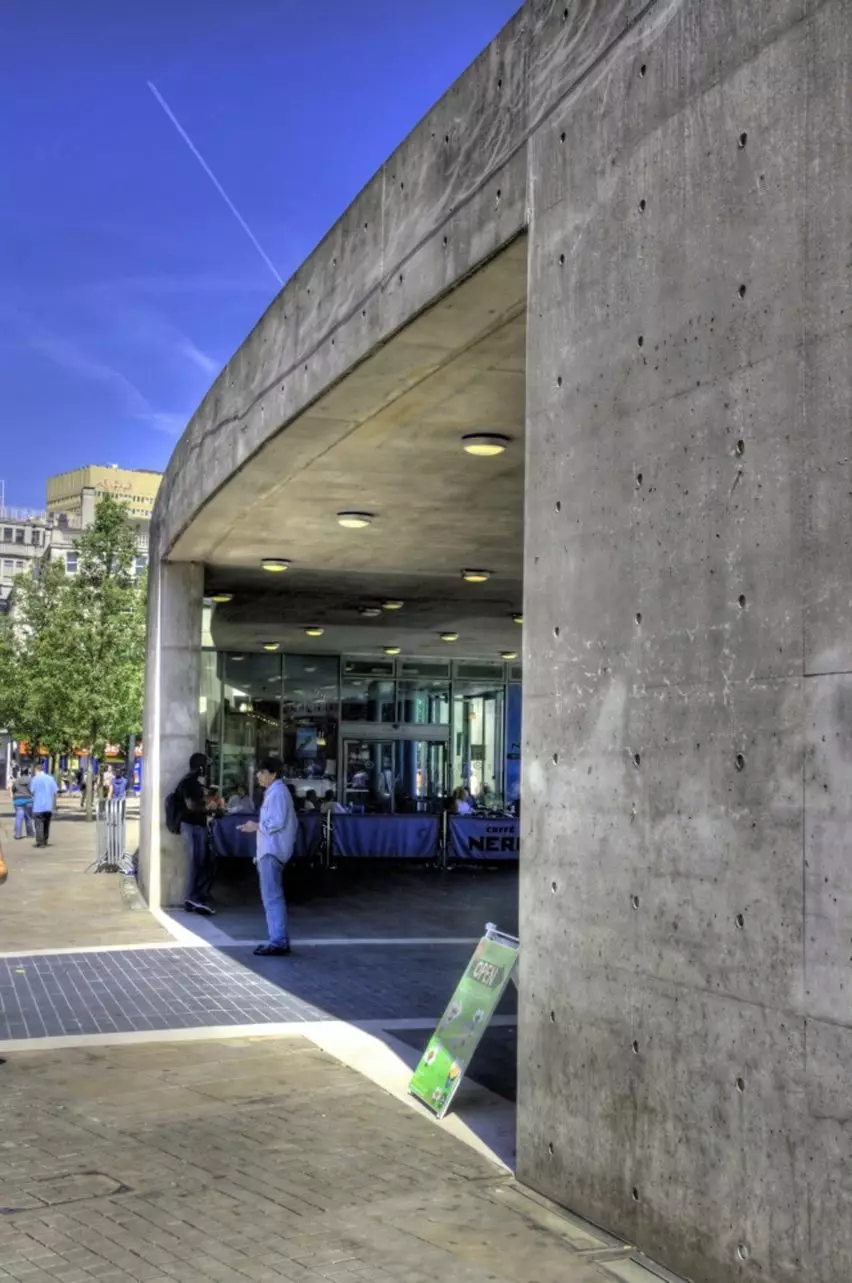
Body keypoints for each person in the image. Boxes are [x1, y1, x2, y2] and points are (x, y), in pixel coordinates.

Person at [238, 757, 297, 957]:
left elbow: (276, 822)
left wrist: (256, 826)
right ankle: (278, 939)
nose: (258, 776)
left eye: (262, 772)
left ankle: (278, 941)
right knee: (271, 897)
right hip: (270, 851)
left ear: (273, 774)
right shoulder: (275, 792)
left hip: (272, 851)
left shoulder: (278, 793)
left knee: (272, 898)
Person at [175, 753, 216, 916]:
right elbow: (191, 806)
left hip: (194, 826)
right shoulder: (190, 783)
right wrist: (210, 809)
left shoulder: (191, 782)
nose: (207, 769)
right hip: (193, 827)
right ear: (200, 767)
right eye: (205, 766)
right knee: (198, 863)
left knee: (201, 862)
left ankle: (195, 897)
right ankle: (194, 897)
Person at [30, 763, 58, 847]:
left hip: (38, 806)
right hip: (48, 806)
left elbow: (32, 790)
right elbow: (55, 790)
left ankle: (40, 842)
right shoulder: (50, 778)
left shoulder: (35, 779)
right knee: (46, 824)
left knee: (39, 824)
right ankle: (45, 840)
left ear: (37, 770)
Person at [11, 769, 34, 840]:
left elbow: (13, 789)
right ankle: (30, 834)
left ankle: (18, 835)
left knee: (18, 818)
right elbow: (32, 790)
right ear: (27, 772)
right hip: (28, 800)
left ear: (21, 772)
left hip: (18, 801)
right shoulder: (30, 780)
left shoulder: (16, 780)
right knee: (28, 818)